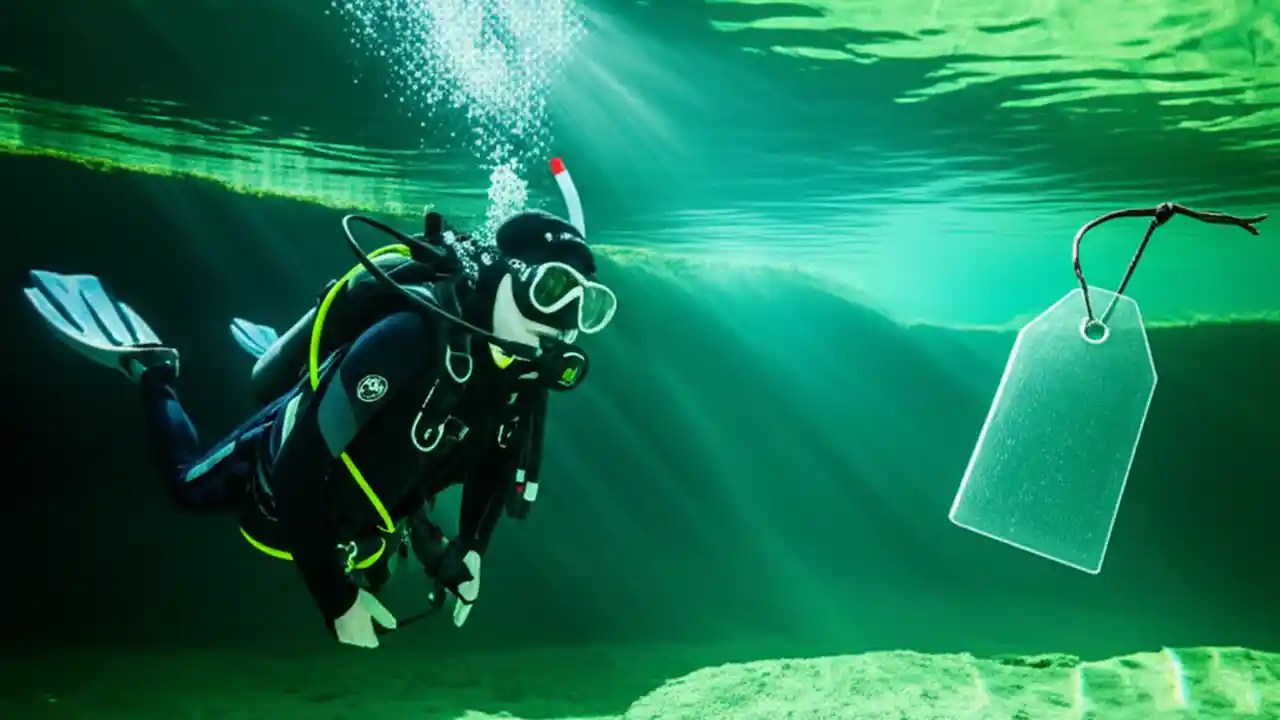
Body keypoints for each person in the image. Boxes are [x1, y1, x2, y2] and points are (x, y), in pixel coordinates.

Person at [22, 159, 618, 649]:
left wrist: (472, 549)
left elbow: (490, 462)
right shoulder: (411, 338)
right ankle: (155, 371)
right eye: (553, 291)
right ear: (502, 280)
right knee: (187, 485)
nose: (565, 325)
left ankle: (326, 376)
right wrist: (335, 598)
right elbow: (298, 467)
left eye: (586, 306)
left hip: (367, 499)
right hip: (290, 451)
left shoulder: (521, 378)